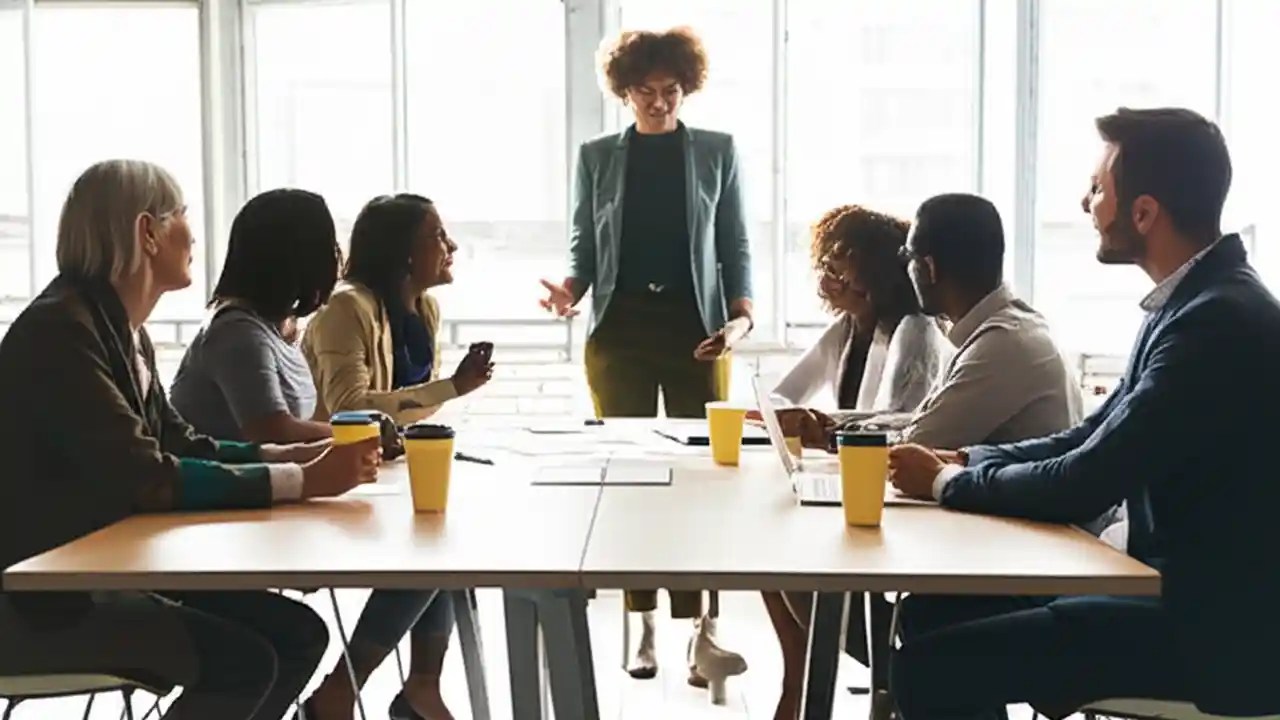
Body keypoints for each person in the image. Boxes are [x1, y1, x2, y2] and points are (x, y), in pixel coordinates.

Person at [888, 108, 1280, 720]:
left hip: (1219, 633)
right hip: (1181, 597)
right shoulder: (1193, 303)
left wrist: (947, 482)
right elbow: (1091, 433)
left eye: (1099, 189)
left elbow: (1087, 478)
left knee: (929, 667)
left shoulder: (1215, 322)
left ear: (1144, 212)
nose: (1085, 202)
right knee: (929, 610)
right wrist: (969, 458)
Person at [0, 160, 380, 720]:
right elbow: (151, 478)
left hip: (101, 578)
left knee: (298, 636)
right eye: (179, 213)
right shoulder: (61, 333)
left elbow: (181, 444)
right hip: (38, 606)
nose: (192, 229)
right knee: (245, 662)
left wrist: (288, 455)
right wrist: (303, 480)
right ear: (146, 233)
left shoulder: (120, 331)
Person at [772, 193, 1086, 720]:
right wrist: (838, 431)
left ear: (929, 267)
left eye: (909, 258)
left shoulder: (1000, 344)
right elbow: (919, 427)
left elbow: (919, 441)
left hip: (1035, 560)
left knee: (809, 573)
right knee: (826, 578)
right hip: (1005, 536)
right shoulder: (990, 330)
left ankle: (896, 689)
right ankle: (896, 692)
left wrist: (840, 438)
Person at [538, 25, 751, 687]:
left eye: (670, 91)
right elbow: (584, 248)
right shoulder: (598, 157)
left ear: (686, 88)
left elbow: (734, 244)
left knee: (699, 480)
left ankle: (702, 632)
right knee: (629, 479)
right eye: (645, 91)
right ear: (623, 91)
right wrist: (570, 292)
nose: (659, 102)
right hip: (620, 333)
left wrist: (741, 317)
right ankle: (645, 624)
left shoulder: (716, 151)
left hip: (698, 333)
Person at [300, 193, 491, 720]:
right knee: (433, 546)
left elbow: (407, 412)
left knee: (444, 535)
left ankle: (420, 688)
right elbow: (350, 410)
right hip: (329, 482)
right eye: (438, 236)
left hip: (382, 480)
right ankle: (341, 691)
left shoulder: (424, 309)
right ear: (404, 251)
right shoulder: (347, 308)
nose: (450, 247)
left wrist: (448, 391)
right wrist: (448, 388)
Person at [759, 204, 951, 720]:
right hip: (853, 482)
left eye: (842, 265)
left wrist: (821, 422)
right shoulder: (847, 330)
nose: (829, 277)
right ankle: (800, 680)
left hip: (894, 491)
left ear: (875, 273)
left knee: (788, 561)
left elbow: (900, 422)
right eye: (827, 263)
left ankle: (876, 675)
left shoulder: (913, 330)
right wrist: (792, 416)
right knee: (769, 560)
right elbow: (780, 398)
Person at [171, 189, 339, 443]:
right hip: (226, 480)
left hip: (264, 478)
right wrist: (360, 435)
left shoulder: (274, 328)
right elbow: (272, 431)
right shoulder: (238, 332)